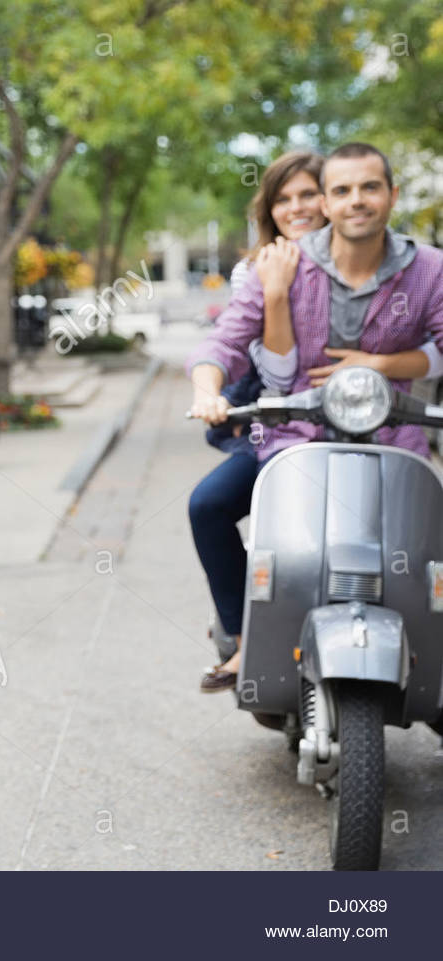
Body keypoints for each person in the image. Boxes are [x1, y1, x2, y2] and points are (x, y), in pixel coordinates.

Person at [187, 142, 443, 692]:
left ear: (391, 196)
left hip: (396, 443)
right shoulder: (280, 267)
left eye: (370, 188)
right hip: (293, 441)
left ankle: (432, 669)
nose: (357, 201)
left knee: (422, 559)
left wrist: (382, 363)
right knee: (284, 553)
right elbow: (226, 341)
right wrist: (207, 388)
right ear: (329, 203)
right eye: (343, 190)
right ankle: (249, 639)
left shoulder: (429, 270)